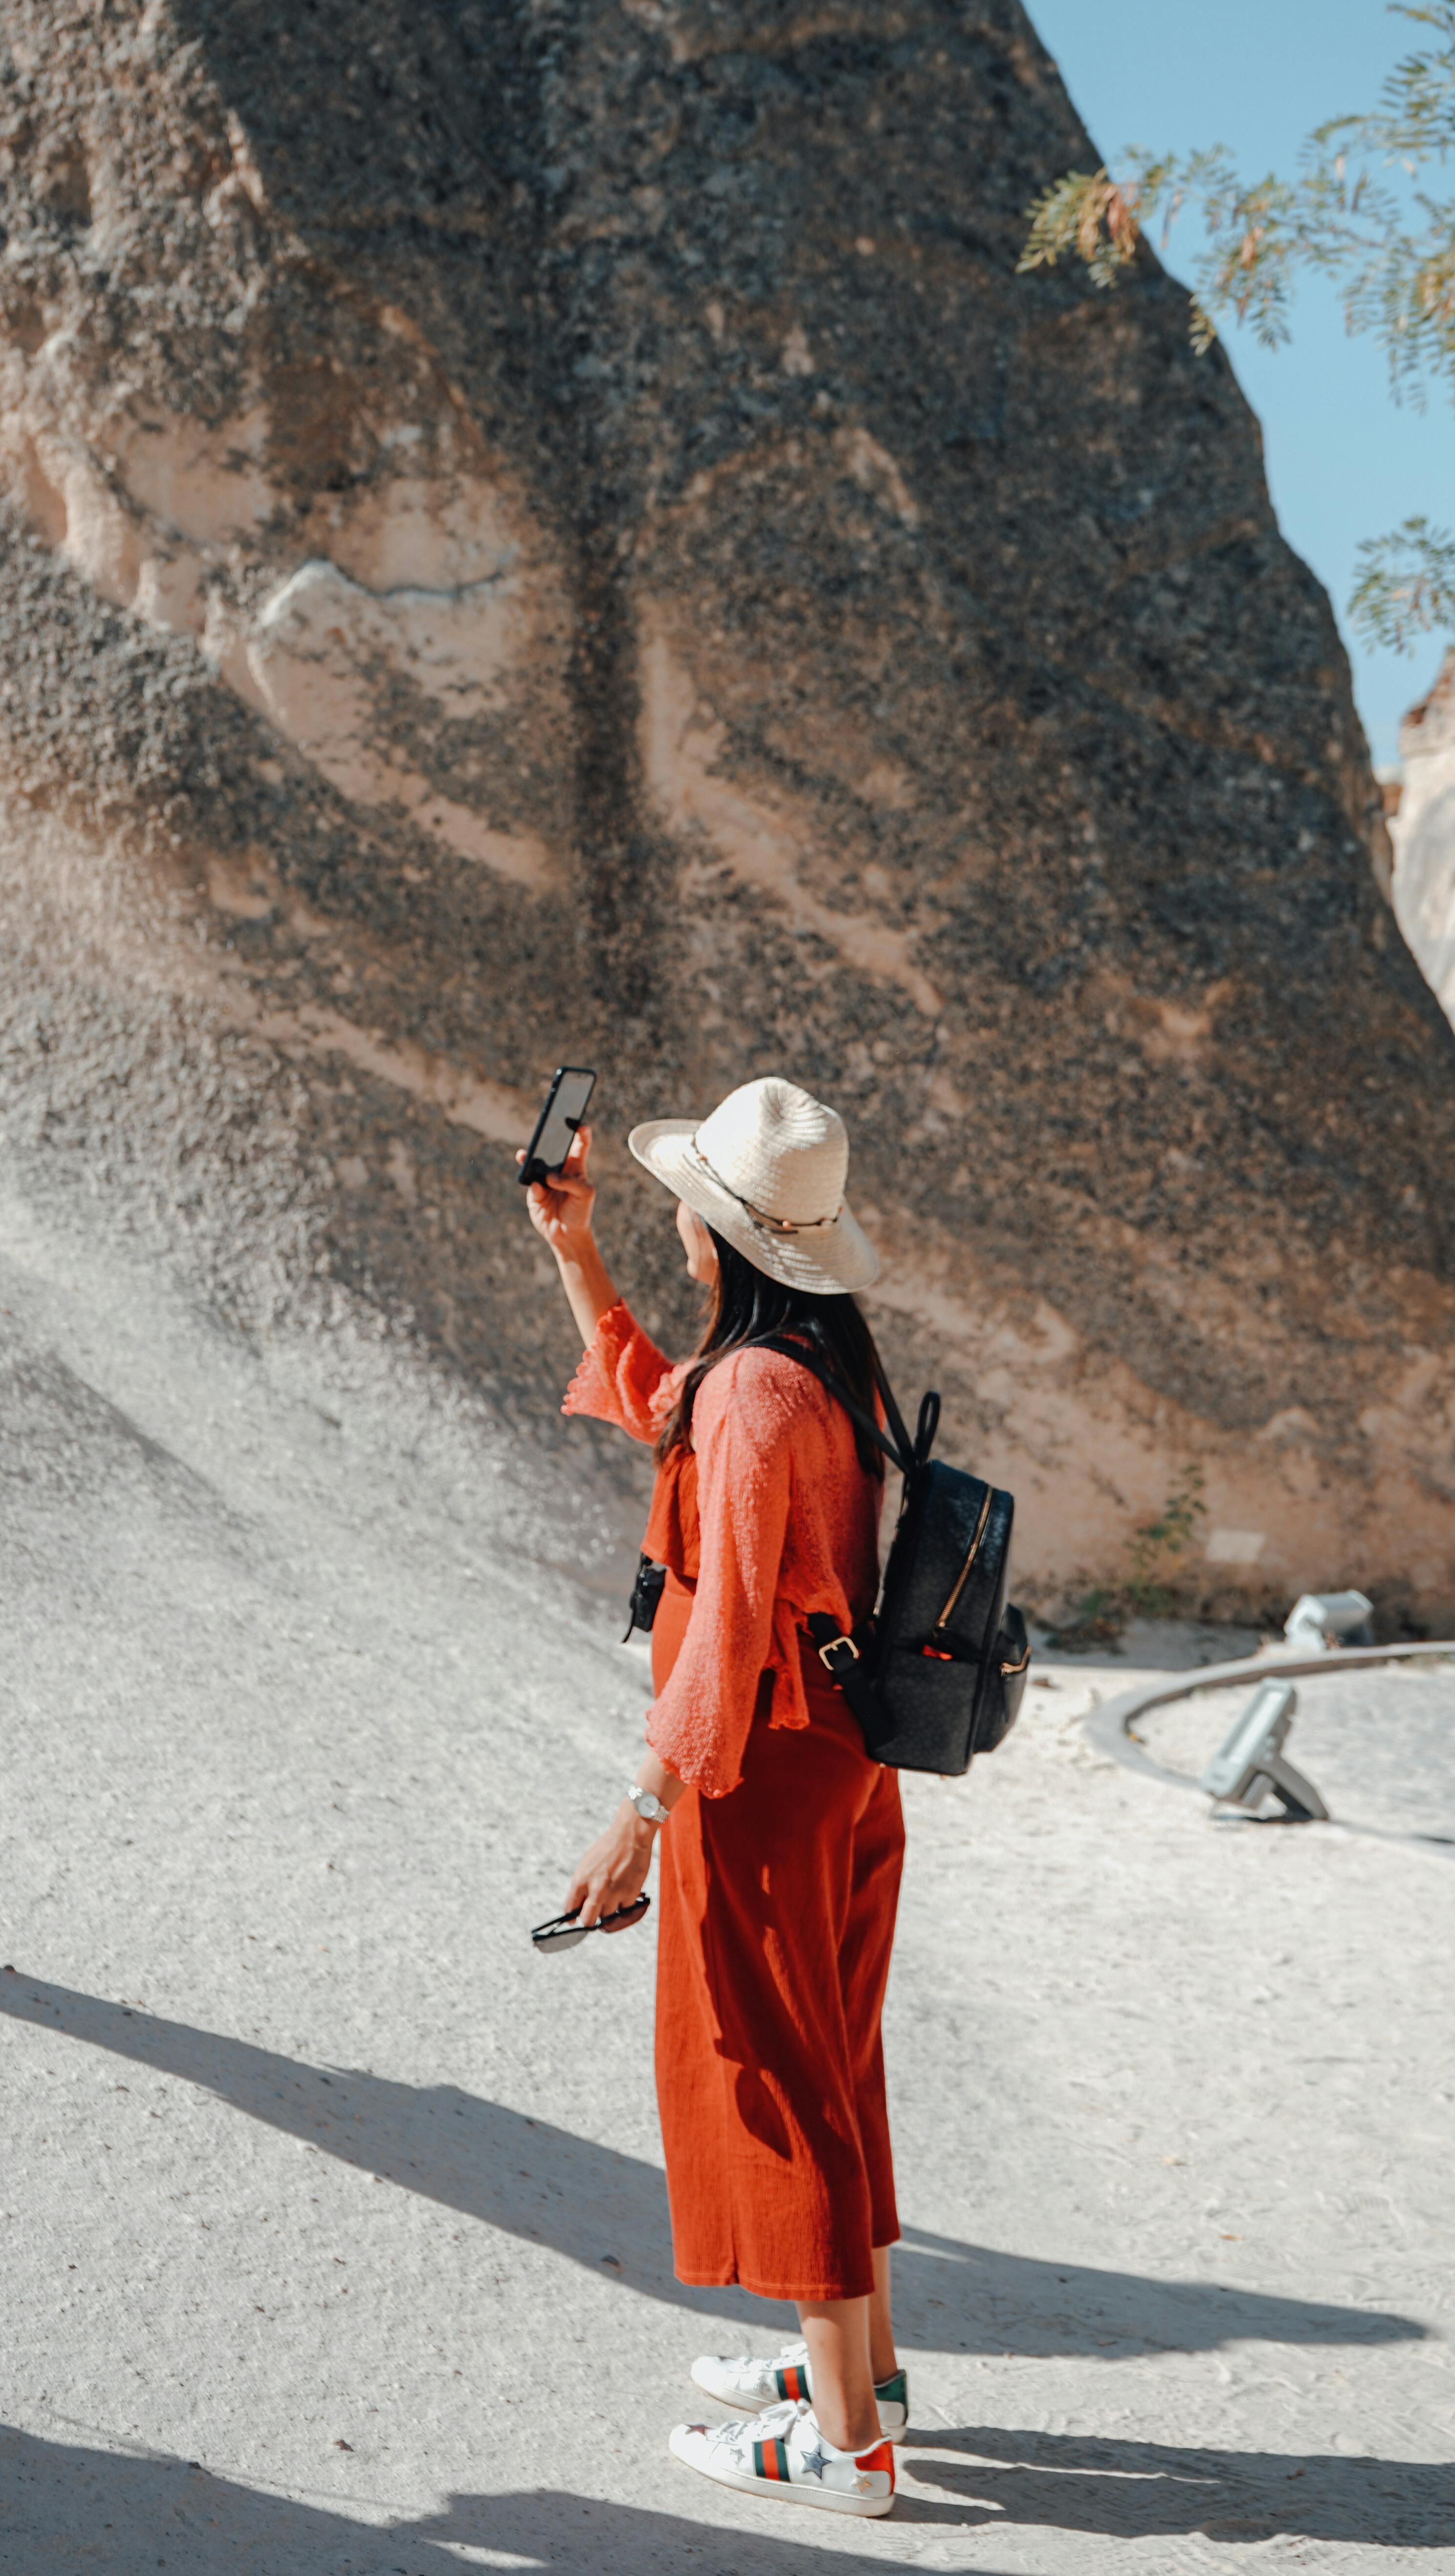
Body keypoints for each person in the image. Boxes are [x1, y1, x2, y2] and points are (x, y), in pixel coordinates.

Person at [524, 1074, 905, 2521]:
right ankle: (857, 2373)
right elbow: (654, 1408)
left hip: (761, 1772)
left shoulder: (757, 1391)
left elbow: (732, 1626)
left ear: (728, 1234)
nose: (673, 1211)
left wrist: (641, 1814)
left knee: (775, 2072)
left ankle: (853, 2451)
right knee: (834, 2061)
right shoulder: (815, 1357)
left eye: (686, 1198)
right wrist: (575, 1251)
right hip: (839, 1764)